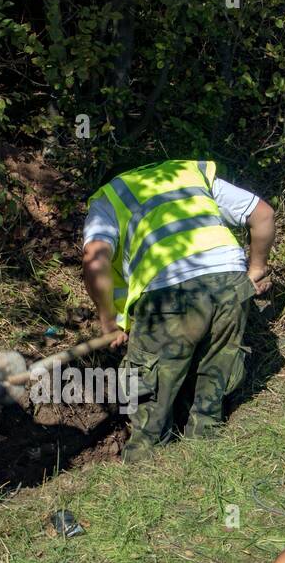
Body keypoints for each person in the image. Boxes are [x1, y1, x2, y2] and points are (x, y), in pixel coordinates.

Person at [80, 159, 275, 461]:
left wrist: (108, 322)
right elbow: (262, 214)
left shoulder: (109, 197)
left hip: (169, 293)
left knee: (149, 385)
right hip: (230, 282)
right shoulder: (189, 174)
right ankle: (204, 450)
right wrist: (257, 269)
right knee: (214, 371)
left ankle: (144, 462)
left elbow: (95, 259)